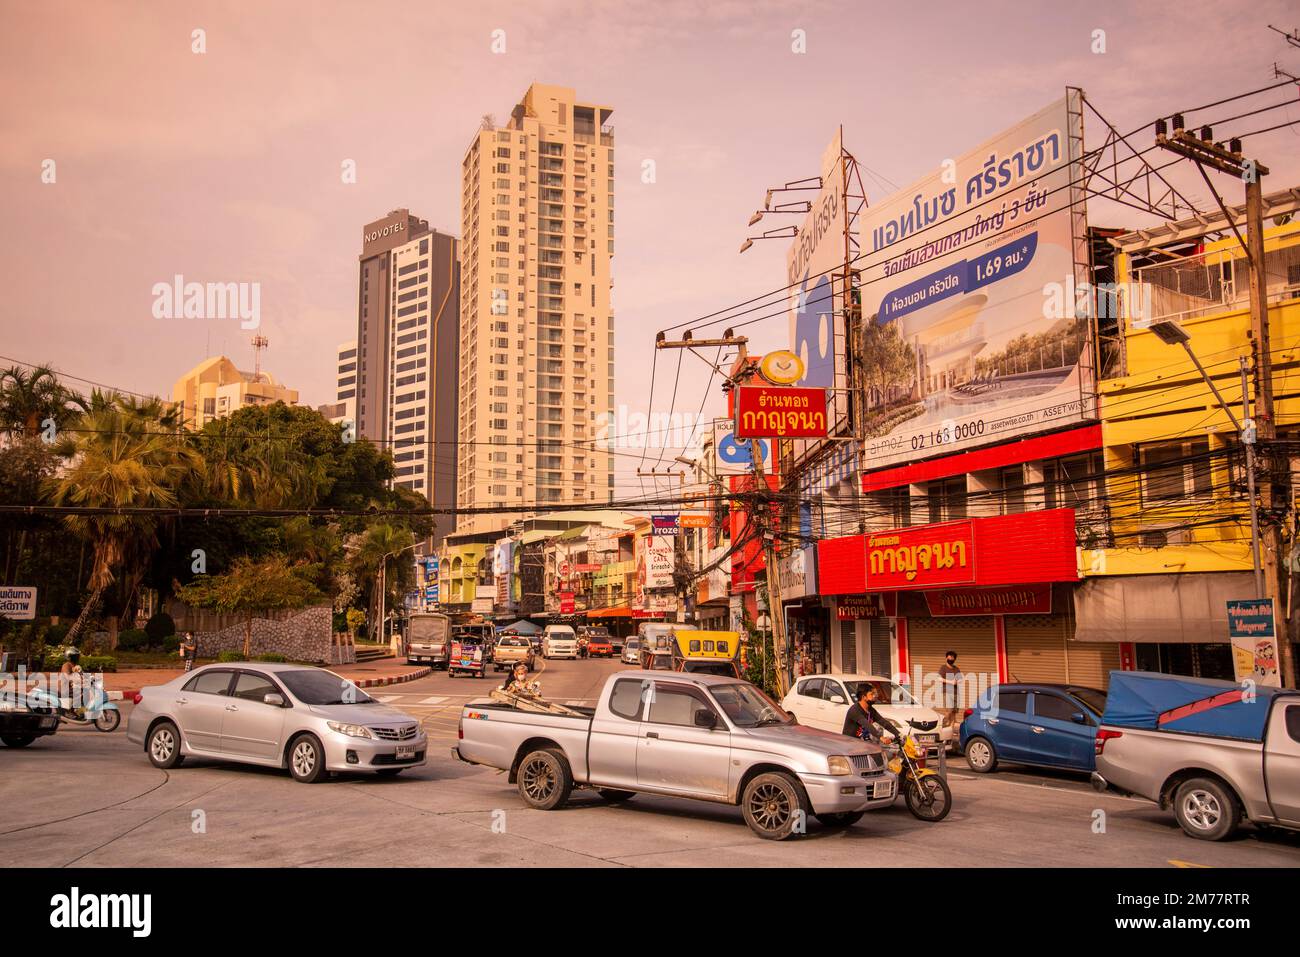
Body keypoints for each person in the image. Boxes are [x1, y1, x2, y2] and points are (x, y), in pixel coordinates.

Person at [938, 650, 963, 731]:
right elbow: (939, 678)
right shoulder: (943, 667)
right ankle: (942, 726)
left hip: (956, 693)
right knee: (949, 711)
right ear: (946, 658)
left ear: (954, 659)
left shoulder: (956, 669)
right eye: (949, 657)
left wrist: (957, 681)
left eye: (952, 657)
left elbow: (960, 679)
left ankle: (950, 731)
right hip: (947, 692)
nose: (951, 658)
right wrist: (950, 682)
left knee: (954, 713)